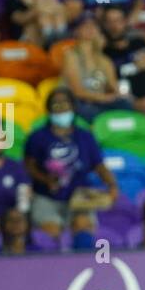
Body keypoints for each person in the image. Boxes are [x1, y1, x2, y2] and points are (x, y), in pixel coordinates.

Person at [23, 86, 119, 245]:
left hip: (79, 197)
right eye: (56, 104)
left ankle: (86, 264)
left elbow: (99, 165)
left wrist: (112, 185)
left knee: (83, 227)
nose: (61, 107)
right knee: (50, 231)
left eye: (65, 103)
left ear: (73, 107)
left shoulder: (85, 137)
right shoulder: (37, 137)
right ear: (48, 109)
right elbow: (29, 166)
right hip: (47, 197)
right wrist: (45, 179)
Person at [101, 5, 145, 119]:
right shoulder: (104, 53)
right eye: (109, 22)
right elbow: (106, 87)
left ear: (126, 22)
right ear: (103, 25)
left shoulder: (140, 43)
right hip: (128, 106)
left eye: (118, 21)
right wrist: (134, 103)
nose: (114, 26)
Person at [62, 12, 129, 122]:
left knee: (125, 104)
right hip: (79, 101)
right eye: (85, 25)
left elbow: (114, 88)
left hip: (100, 101)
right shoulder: (70, 55)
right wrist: (104, 98)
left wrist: (119, 95)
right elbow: (77, 92)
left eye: (94, 25)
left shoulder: (105, 60)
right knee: (88, 111)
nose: (90, 28)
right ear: (77, 30)